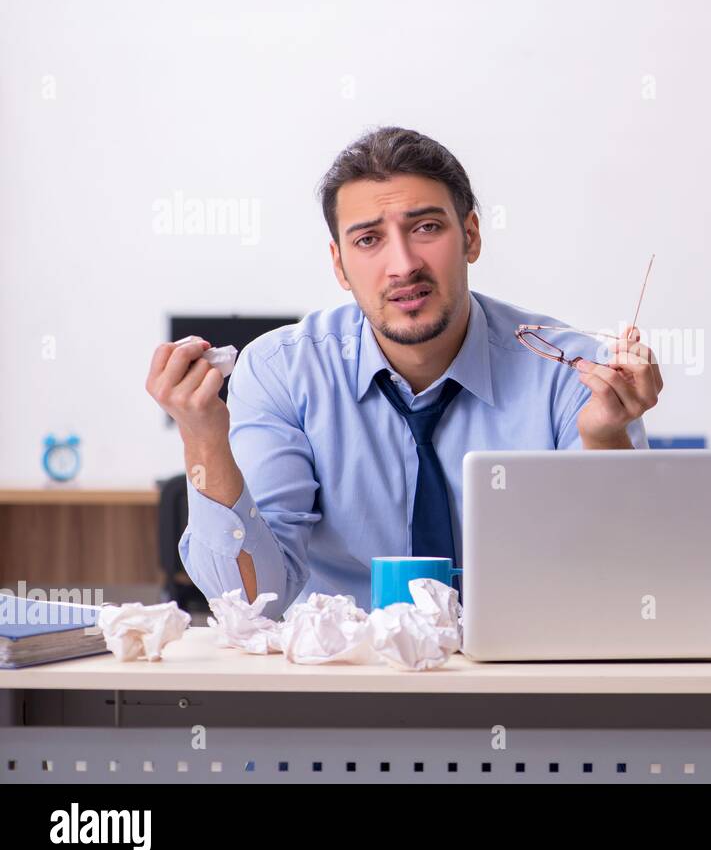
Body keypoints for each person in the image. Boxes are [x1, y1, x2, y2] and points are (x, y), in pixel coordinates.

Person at [145, 126, 663, 617]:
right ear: (340, 265)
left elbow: (623, 586)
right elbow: (256, 602)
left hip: (522, 682)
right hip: (342, 686)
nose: (402, 264)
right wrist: (204, 440)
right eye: (368, 239)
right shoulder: (282, 371)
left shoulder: (568, 371)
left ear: (471, 236)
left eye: (426, 227)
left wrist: (606, 441)